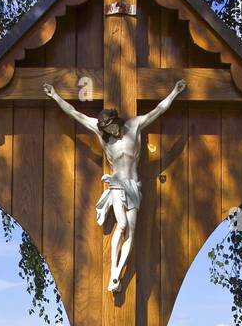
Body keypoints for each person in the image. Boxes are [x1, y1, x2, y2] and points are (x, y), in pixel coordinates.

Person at [43, 78, 187, 293]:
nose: (109, 131)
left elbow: (158, 110)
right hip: (117, 185)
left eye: (111, 127)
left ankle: (119, 271)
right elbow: (76, 114)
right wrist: (55, 95)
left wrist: (175, 92)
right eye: (105, 129)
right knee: (120, 226)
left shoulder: (134, 126)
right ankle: (113, 273)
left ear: (116, 121)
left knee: (131, 231)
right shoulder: (103, 136)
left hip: (133, 187)